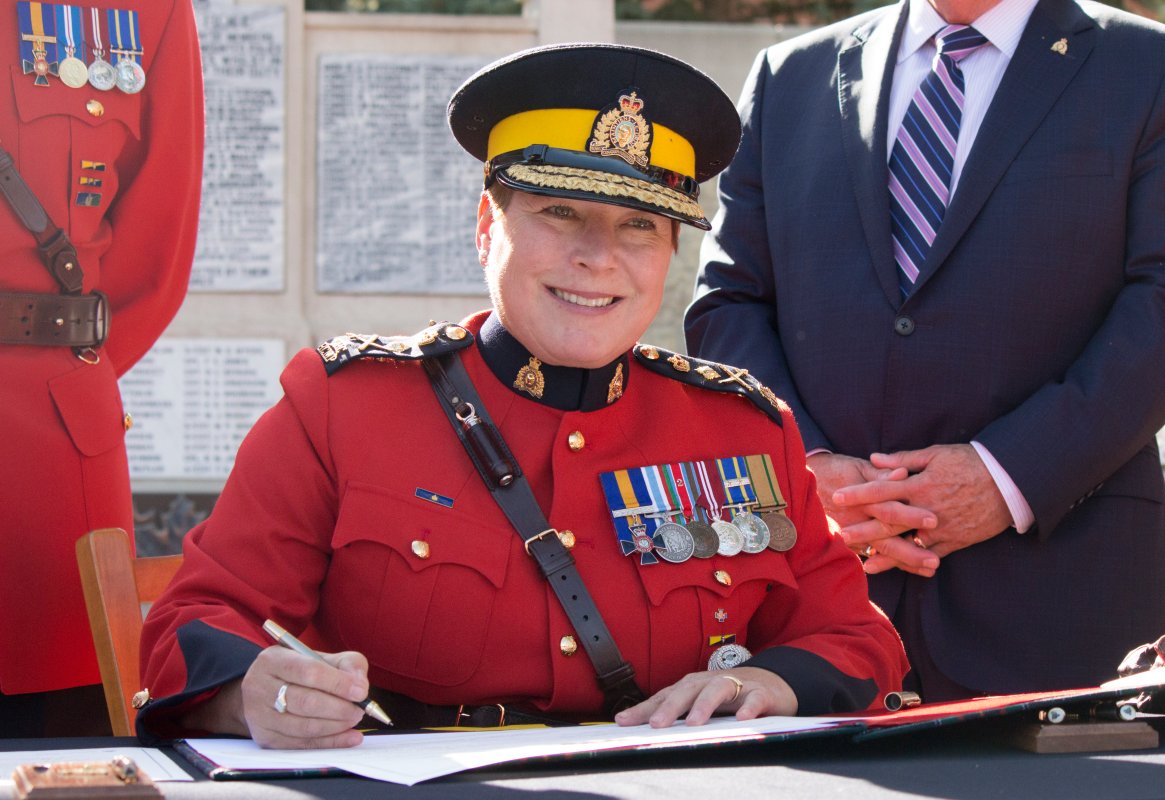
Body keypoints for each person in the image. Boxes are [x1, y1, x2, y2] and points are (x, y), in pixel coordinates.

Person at [136, 43, 907, 749]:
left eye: (639, 226)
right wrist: (252, 694)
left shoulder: (743, 429)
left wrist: (765, 683)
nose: (597, 257)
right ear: (486, 227)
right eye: (559, 212)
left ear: (671, 254)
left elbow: (855, 640)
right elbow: (190, 624)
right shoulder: (343, 406)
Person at [685, 0, 1165, 701]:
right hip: (813, 614)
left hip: (1059, 606)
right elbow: (728, 300)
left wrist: (1005, 477)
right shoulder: (789, 75)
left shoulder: (1162, 70)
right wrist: (807, 474)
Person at [0, 0, 203, 736]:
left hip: (48, 459)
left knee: (67, 748)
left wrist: (64, 371)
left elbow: (156, 250)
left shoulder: (147, 12)